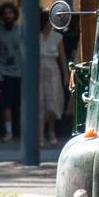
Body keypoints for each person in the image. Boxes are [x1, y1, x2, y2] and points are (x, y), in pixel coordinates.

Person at [0, 3, 22, 142]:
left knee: (21, 103)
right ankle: (8, 131)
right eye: (5, 13)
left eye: (10, 13)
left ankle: (22, 130)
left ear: (14, 14)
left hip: (21, 72)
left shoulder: (21, 30)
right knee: (7, 103)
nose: (8, 16)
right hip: (4, 71)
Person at [39, 8, 68, 146]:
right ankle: (40, 134)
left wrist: (66, 75)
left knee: (52, 101)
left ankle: (51, 131)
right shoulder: (35, 36)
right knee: (39, 101)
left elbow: (62, 58)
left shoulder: (57, 37)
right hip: (38, 71)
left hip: (52, 70)